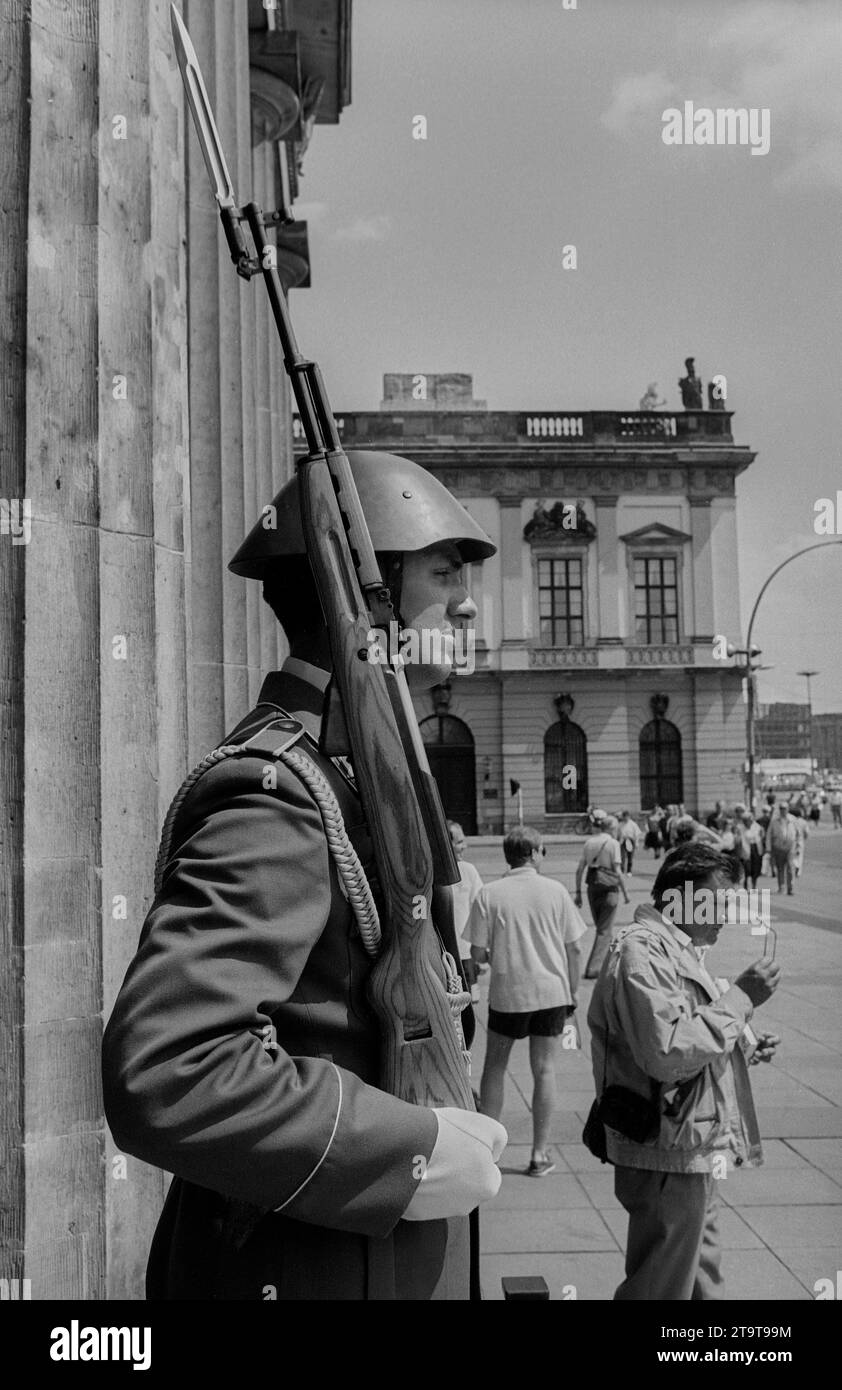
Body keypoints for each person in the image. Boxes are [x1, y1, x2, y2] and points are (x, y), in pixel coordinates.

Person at [101, 450, 508, 1302]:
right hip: (309, 1264)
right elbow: (172, 1066)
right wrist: (409, 1150)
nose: (469, 601)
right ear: (365, 596)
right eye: (443, 572)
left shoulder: (355, 769)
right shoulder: (280, 794)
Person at [587, 842, 781, 1300]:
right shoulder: (643, 953)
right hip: (665, 1150)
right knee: (661, 1285)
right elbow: (666, 1053)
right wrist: (741, 998)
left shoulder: (676, 949)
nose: (724, 915)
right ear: (678, 897)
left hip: (688, 1145)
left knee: (701, 1277)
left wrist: (740, 1042)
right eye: (716, 901)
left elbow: (683, 1035)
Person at [468, 826, 586, 1177]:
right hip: (550, 992)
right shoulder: (555, 891)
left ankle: (488, 1152)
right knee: (544, 1070)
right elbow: (574, 946)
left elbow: (476, 953)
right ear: (535, 853)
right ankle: (538, 1153)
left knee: (495, 1067)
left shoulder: (489, 894)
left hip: (509, 992)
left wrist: (488, 956)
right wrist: (573, 990)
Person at [575, 810, 630, 980]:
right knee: (604, 930)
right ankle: (594, 968)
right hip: (610, 889)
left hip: (592, 887)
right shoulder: (613, 843)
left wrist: (578, 893)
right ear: (612, 828)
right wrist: (626, 893)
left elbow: (579, 870)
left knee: (602, 927)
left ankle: (609, 966)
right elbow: (618, 871)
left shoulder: (589, 842)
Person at [448, 821, 484, 1004]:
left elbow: (480, 910)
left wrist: (482, 950)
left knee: (469, 1001)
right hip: (444, 955)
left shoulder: (468, 871)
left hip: (465, 953)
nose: (465, 846)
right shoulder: (432, 872)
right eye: (459, 842)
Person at [765, 801, 799, 895]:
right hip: (778, 847)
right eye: (781, 808)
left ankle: (790, 888)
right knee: (780, 868)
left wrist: (798, 846)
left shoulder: (793, 819)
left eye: (784, 808)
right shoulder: (774, 821)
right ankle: (781, 886)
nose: (783, 810)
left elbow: (798, 833)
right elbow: (769, 834)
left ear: (788, 809)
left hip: (790, 847)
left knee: (790, 867)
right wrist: (768, 848)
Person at [741, 809, 764, 890]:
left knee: (756, 868)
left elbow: (761, 837)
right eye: (746, 820)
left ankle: (754, 885)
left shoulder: (757, 827)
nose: (749, 822)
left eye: (750, 820)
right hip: (746, 849)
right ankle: (746, 884)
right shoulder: (741, 829)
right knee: (747, 868)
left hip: (756, 849)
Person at [618, 810, 640, 875]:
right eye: (624, 817)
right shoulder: (620, 824)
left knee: (630, 856)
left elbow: (637, 834)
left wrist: (636, 842)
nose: (625, 818)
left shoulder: (633, 824)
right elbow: (618, 833)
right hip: (623, 840)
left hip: (630, 840)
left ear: (629, 817)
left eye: (627, 817)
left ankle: (629, 871)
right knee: (622, 856)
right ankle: (622, 870)